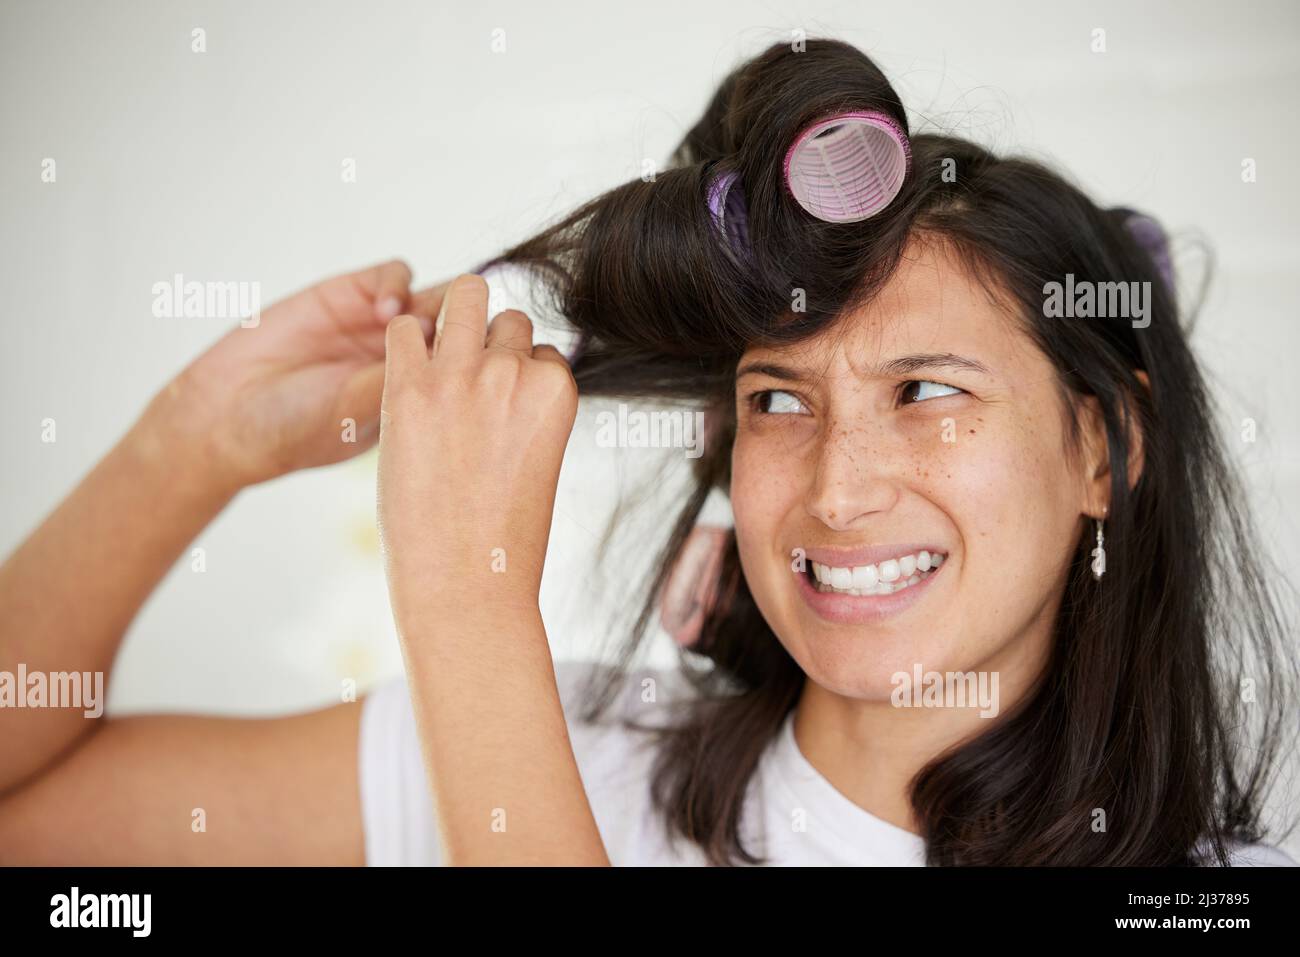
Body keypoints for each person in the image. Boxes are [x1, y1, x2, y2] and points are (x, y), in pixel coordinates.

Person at [1, 38, 1295, 867]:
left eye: (925, 389)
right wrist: (196, 438)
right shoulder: (578, 743)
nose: (839, 489)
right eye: (778, 401)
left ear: (1100, 447)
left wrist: (463, 600)